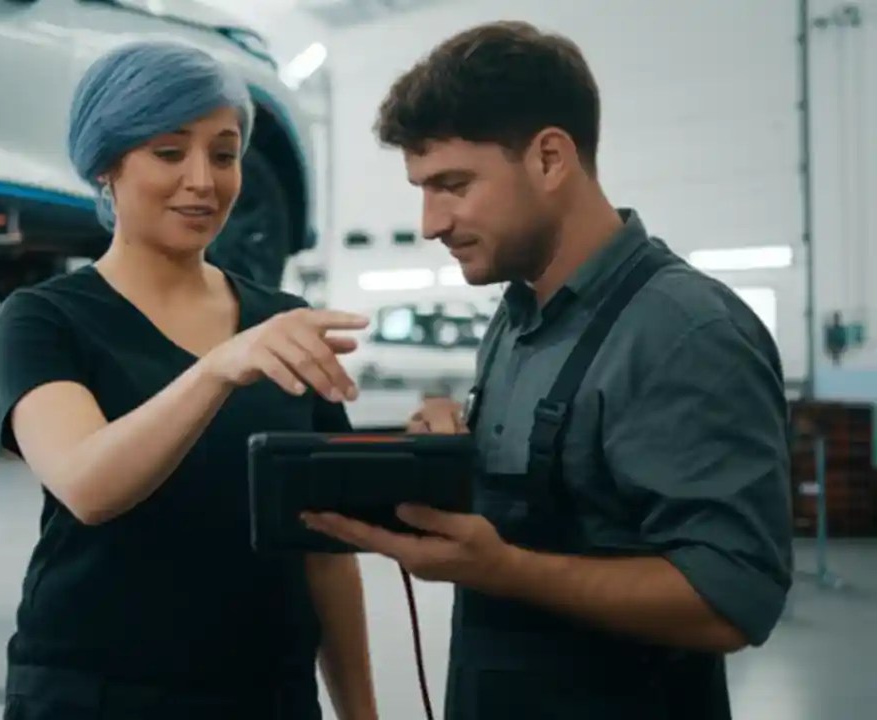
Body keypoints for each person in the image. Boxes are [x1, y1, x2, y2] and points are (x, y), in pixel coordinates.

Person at [302, 20, 794, 720]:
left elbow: (731, 601)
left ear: (550, 159)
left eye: (452, 184)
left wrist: (504, 571)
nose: (429, 222)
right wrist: (448, 455)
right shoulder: (519, 315)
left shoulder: (685, 333)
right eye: (422, 188)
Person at [0, 41, 379, 720]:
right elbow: (88, 484)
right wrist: (216, 369)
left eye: (224, 154)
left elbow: (325, 553)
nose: (203, 180)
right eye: (170, 153)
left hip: (267, 696)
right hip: (98, 697)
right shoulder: (45, 319)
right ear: (107, 165)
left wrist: (362, 715)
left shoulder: (283, 326)